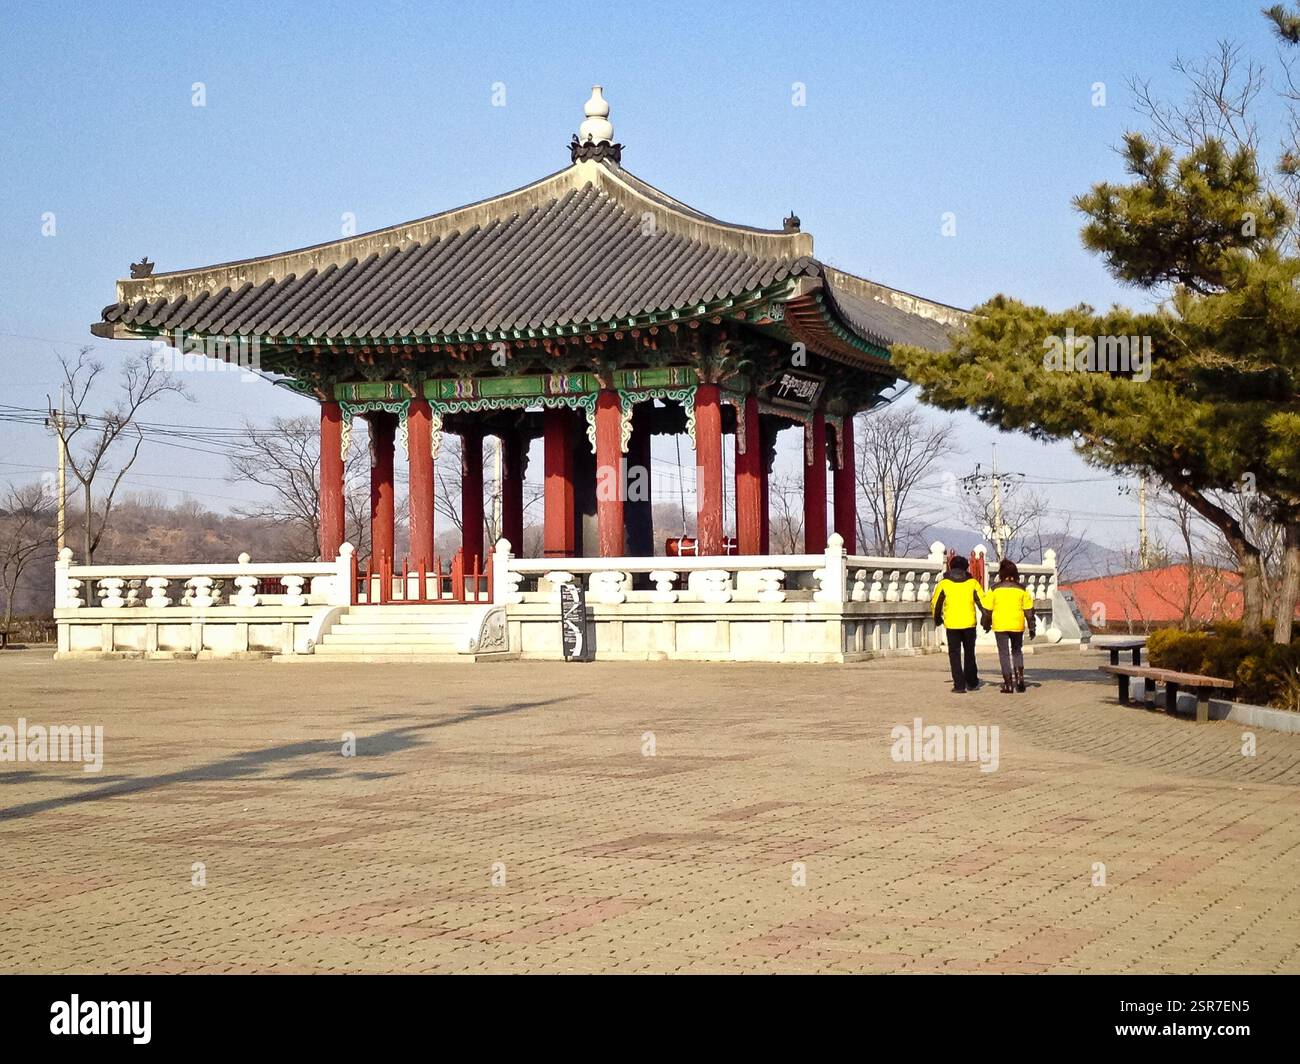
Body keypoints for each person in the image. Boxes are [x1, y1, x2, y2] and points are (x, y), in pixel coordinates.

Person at [980, 558, 1037, 693]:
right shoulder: (1022, 590)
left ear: (1001, 573)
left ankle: (1008, 684)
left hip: (1000, 625)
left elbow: (987, 611)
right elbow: (1029, 612)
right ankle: (1020, 680)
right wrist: (1032, 627)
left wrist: (986, 625)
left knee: (1004, 653)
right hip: (1017, 624)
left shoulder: (994, 590)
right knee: (1017, 651)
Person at [931, 555, 983, 693]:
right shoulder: (973, 583)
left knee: (954, 654)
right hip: (969, 624)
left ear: (951, 567)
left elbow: (936, 604)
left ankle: (959, 685)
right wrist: (986, 619)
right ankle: (972, 682)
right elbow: (983, 602)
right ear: (966, 567)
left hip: (952, 624)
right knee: (969, 653)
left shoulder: (944, 584)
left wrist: (937, 619)